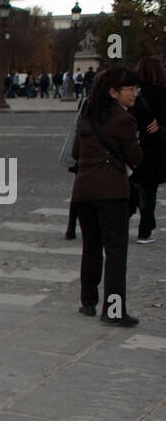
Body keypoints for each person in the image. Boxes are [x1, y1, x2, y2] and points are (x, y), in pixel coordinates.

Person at [70, 66, 143, 326]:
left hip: (84, 190)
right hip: (111, 190)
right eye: (130, 89)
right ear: (113, 92)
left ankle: (88, 302)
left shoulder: (87, 117)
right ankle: (113, 309)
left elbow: (77, 153)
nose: (135, 93)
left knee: (91, 247)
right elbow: (136, 157)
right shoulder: (124, 120)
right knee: (115, 250)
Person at [130, 56, 165, 244]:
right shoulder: (163, 92)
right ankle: (144, 230)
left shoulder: (134, 92)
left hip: (134, 143)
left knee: (131, 186)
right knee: (149, 191)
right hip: (154, 146)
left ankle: (117, 225)